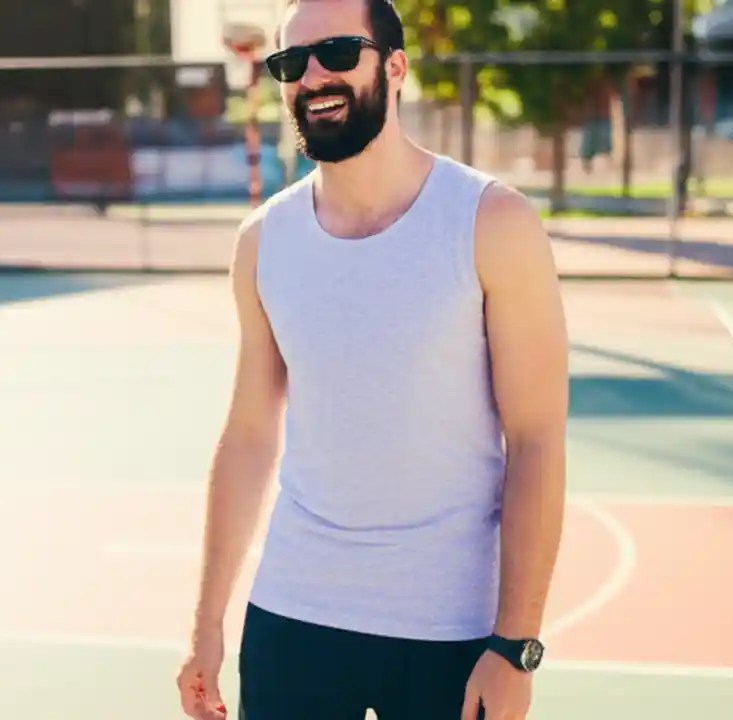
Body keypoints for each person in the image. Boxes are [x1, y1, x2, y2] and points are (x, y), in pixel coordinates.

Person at [176, 1, 568, 718]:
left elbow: (537, 439)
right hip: (293, 619)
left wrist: (517, 646)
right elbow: (249, 436)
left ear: (395, 66)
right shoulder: (263, 241)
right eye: (292, 63)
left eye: (336, 52)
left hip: (450, 635)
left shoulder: (492, 222)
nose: (312, 76)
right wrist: (206, 628)